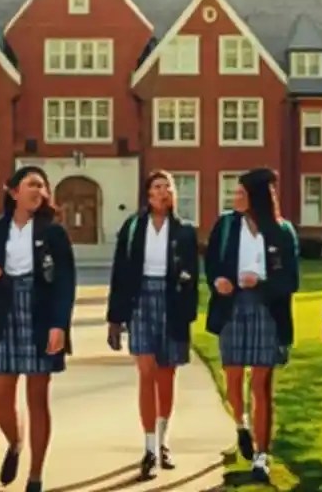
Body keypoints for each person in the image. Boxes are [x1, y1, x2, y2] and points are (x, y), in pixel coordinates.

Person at [0, 166, 76, 492]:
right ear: (13, 191)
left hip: (40, 314)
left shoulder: (54, 232)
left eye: (42, 186)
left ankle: (35, 475)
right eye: (31, 184)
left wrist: (60, 325)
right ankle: (15, 443)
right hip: (2, 313)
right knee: (1, 395)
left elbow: (65, 282)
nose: (38, 190)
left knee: (37, 398)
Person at [204, 167, 300, 484]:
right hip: (232, 308)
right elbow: (212, 264)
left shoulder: (282, 231)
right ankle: (241, 424)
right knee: (233, 378)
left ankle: (261, 456)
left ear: (257, 198)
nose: (235, 198)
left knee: (261, 384)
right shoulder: (226, 226)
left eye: (241, 194)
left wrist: (261, 280)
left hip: (267, 311)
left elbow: (291, 280)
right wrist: (218, 280)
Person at [105, 170, 200, 480]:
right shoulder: (133, 227)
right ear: (148, 195)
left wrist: (187, 314)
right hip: (141, 299)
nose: (163, 192)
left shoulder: (185, 231)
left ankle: (163, 441)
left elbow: (192, 277)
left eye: (168, 187)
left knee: (166, 374)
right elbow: (119, 274)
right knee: (146, 371)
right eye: (157, 187)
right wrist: (115, 319)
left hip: (171, 303)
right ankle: (147, 447)